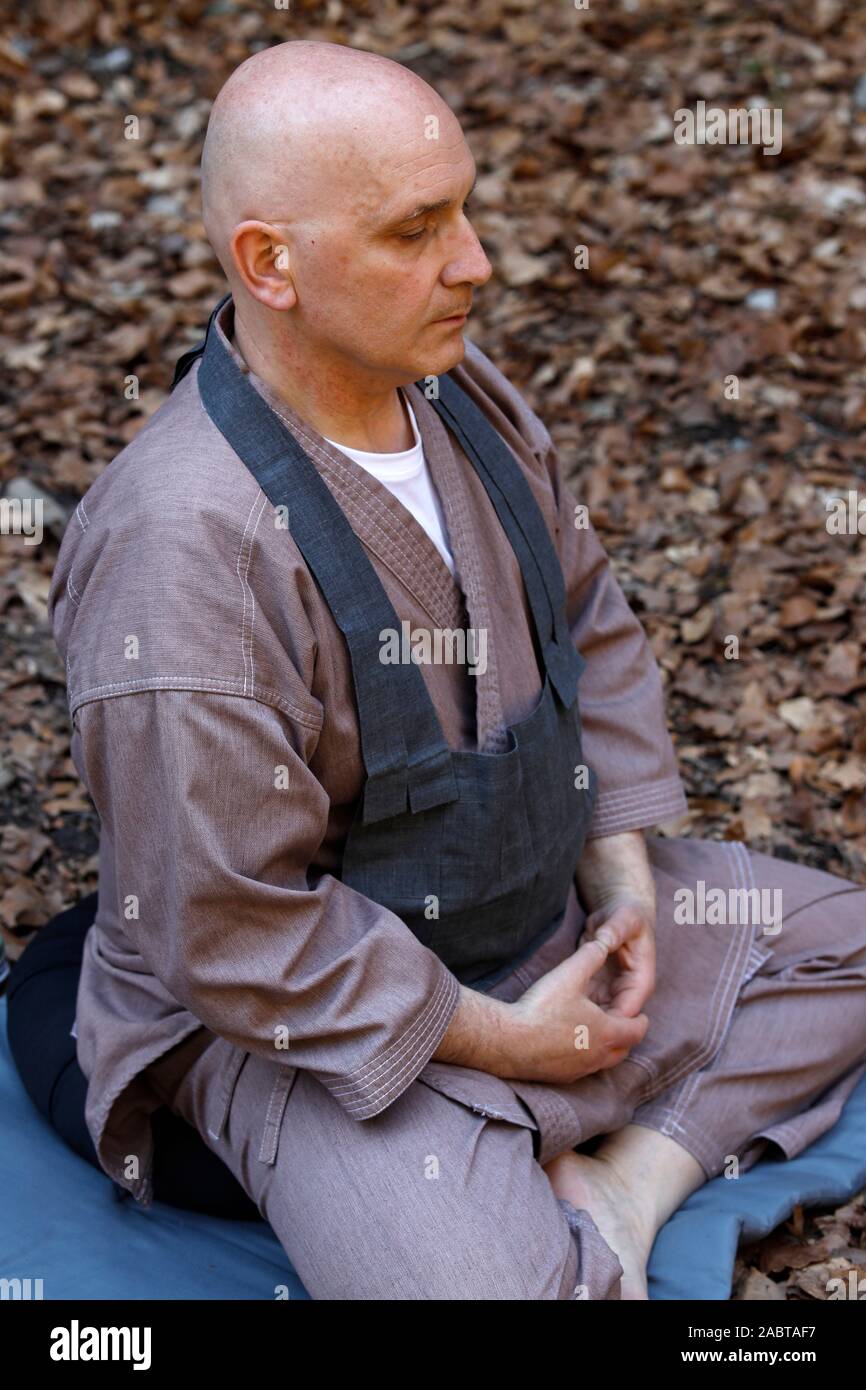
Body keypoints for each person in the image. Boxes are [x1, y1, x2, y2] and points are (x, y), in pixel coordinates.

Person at [18, 38, 866, 1300]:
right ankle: (502, 1135)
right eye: (417, 230)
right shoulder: (182, 551)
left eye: (464, 212)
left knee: (840, 945)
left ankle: (626, 1174)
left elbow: (586, 612)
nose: (474, 262)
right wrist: (511, 1042)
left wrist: (621, 877)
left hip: (539, 929)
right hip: (314, 1031)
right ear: (270, 263)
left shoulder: (455, 387)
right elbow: (233, 928)